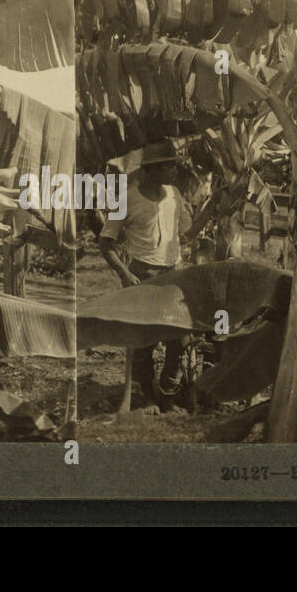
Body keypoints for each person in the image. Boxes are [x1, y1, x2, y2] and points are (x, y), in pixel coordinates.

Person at [98, 140, 193, 410]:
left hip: (175, 273)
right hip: (143, 274)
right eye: (167, 167)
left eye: (174, 166)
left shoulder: (174, 194)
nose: (173, 171)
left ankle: (168, 391)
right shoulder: (126, 199)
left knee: (180, 336)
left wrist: (213, 211)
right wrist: (125, 274)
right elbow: (105, 242)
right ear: (149, 171)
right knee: (144, 340)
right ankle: (147, 393)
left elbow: (185, 233)